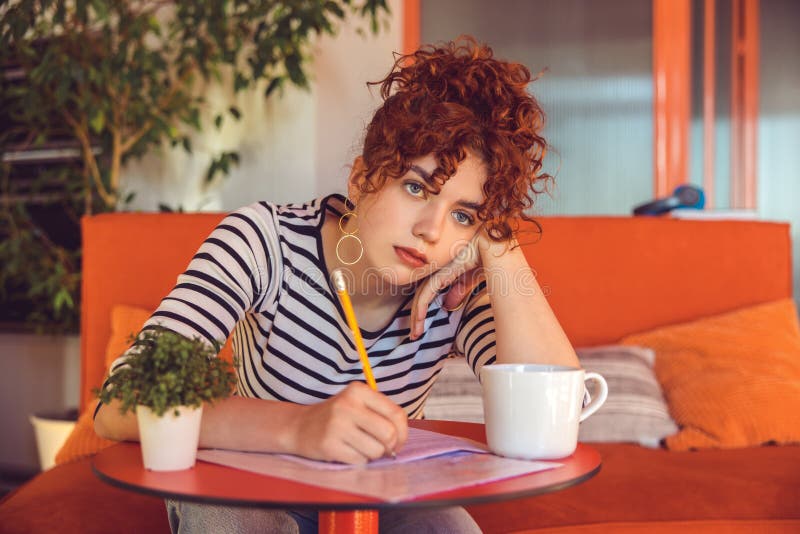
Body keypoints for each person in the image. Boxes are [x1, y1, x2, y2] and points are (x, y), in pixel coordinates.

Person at [94, 35, 579, 534]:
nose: (432, 231)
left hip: (378, 498)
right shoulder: (264, 242)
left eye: (462, 214)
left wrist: (500, 245)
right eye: (416, 187)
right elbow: (120, 404)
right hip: (248, 489)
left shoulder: (454, 286)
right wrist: (300, 428)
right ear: (361, 178)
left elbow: (554, 420)